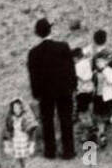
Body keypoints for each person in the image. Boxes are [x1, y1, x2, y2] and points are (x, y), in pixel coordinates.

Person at [27, 18, 76, 160]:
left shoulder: (33, 53)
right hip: (64, 90)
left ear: (37, 34)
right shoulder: (63, 46)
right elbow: (70, 69)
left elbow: (33, 76)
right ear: (51, 30)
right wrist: (73, 86)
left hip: (45, 93)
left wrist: (36, 94)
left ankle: (50, 152)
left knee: (47, 121)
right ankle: (69, 151)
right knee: (66, 119)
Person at [92, 55, 112, 152]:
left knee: (111, 119)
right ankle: (102, 139)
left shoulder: (108, 70)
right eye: (96, 62)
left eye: (100, 62)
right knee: (99, 120)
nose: (98, 64)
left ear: (106, 62)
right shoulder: (95, 72)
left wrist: (104, 71)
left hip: (107, 99)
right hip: (98, 98)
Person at [1, 99, 39, 168]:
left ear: (22, 108)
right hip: (16, 140)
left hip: (24, 139)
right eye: (15, 108)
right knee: (17, 157)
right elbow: (7, 130)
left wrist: (31, 145)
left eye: (18, 108)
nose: (17, 110)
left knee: (25, 156)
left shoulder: (25, 118)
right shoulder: (11, 119)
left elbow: (31, 131)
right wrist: (7, 143)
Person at [73, 47, 95, 142]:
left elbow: (77, 77)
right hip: (90, 90)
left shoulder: (77, 67)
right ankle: (91, 127)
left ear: (76, 58)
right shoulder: (87, 62)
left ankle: (88, 132)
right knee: (87, 110)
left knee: (82, 113)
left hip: (82, 92)